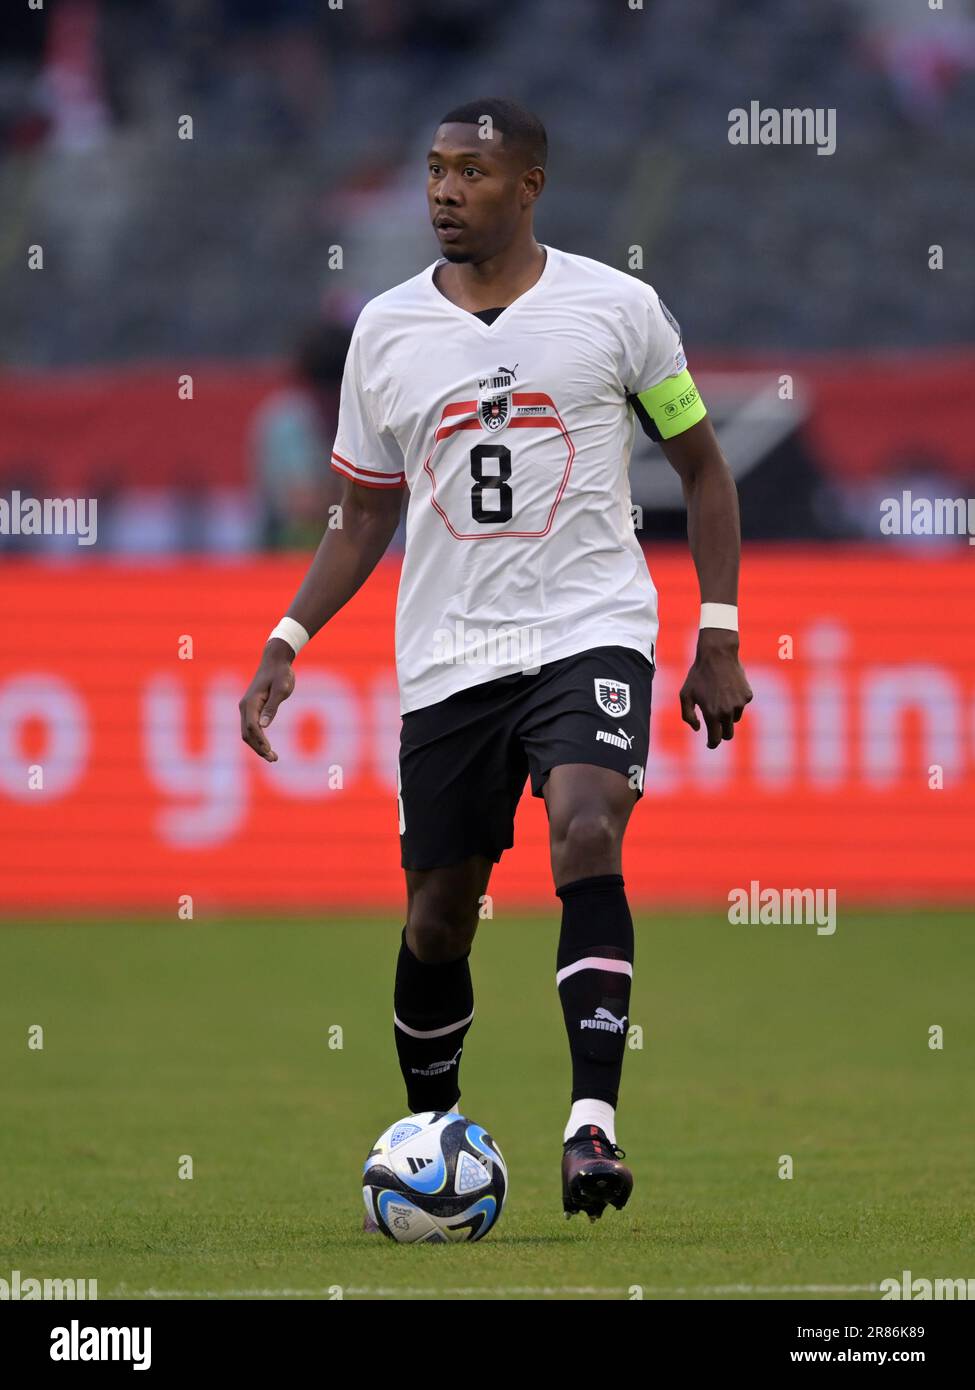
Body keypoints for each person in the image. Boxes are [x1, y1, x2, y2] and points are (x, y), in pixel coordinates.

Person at [239, 97, 753, 1229]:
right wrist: (288, 638)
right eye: (432, 169)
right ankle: (433, 1129)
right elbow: (361, 516)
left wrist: (716, 627)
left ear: (529, 186)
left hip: (591, 623)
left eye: (469, 171)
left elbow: (705, 469)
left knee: (587, 823)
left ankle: (592, 1127)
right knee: (439, 914)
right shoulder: (385, 330)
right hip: (451, 655)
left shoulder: (617, 310)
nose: (442, 190)